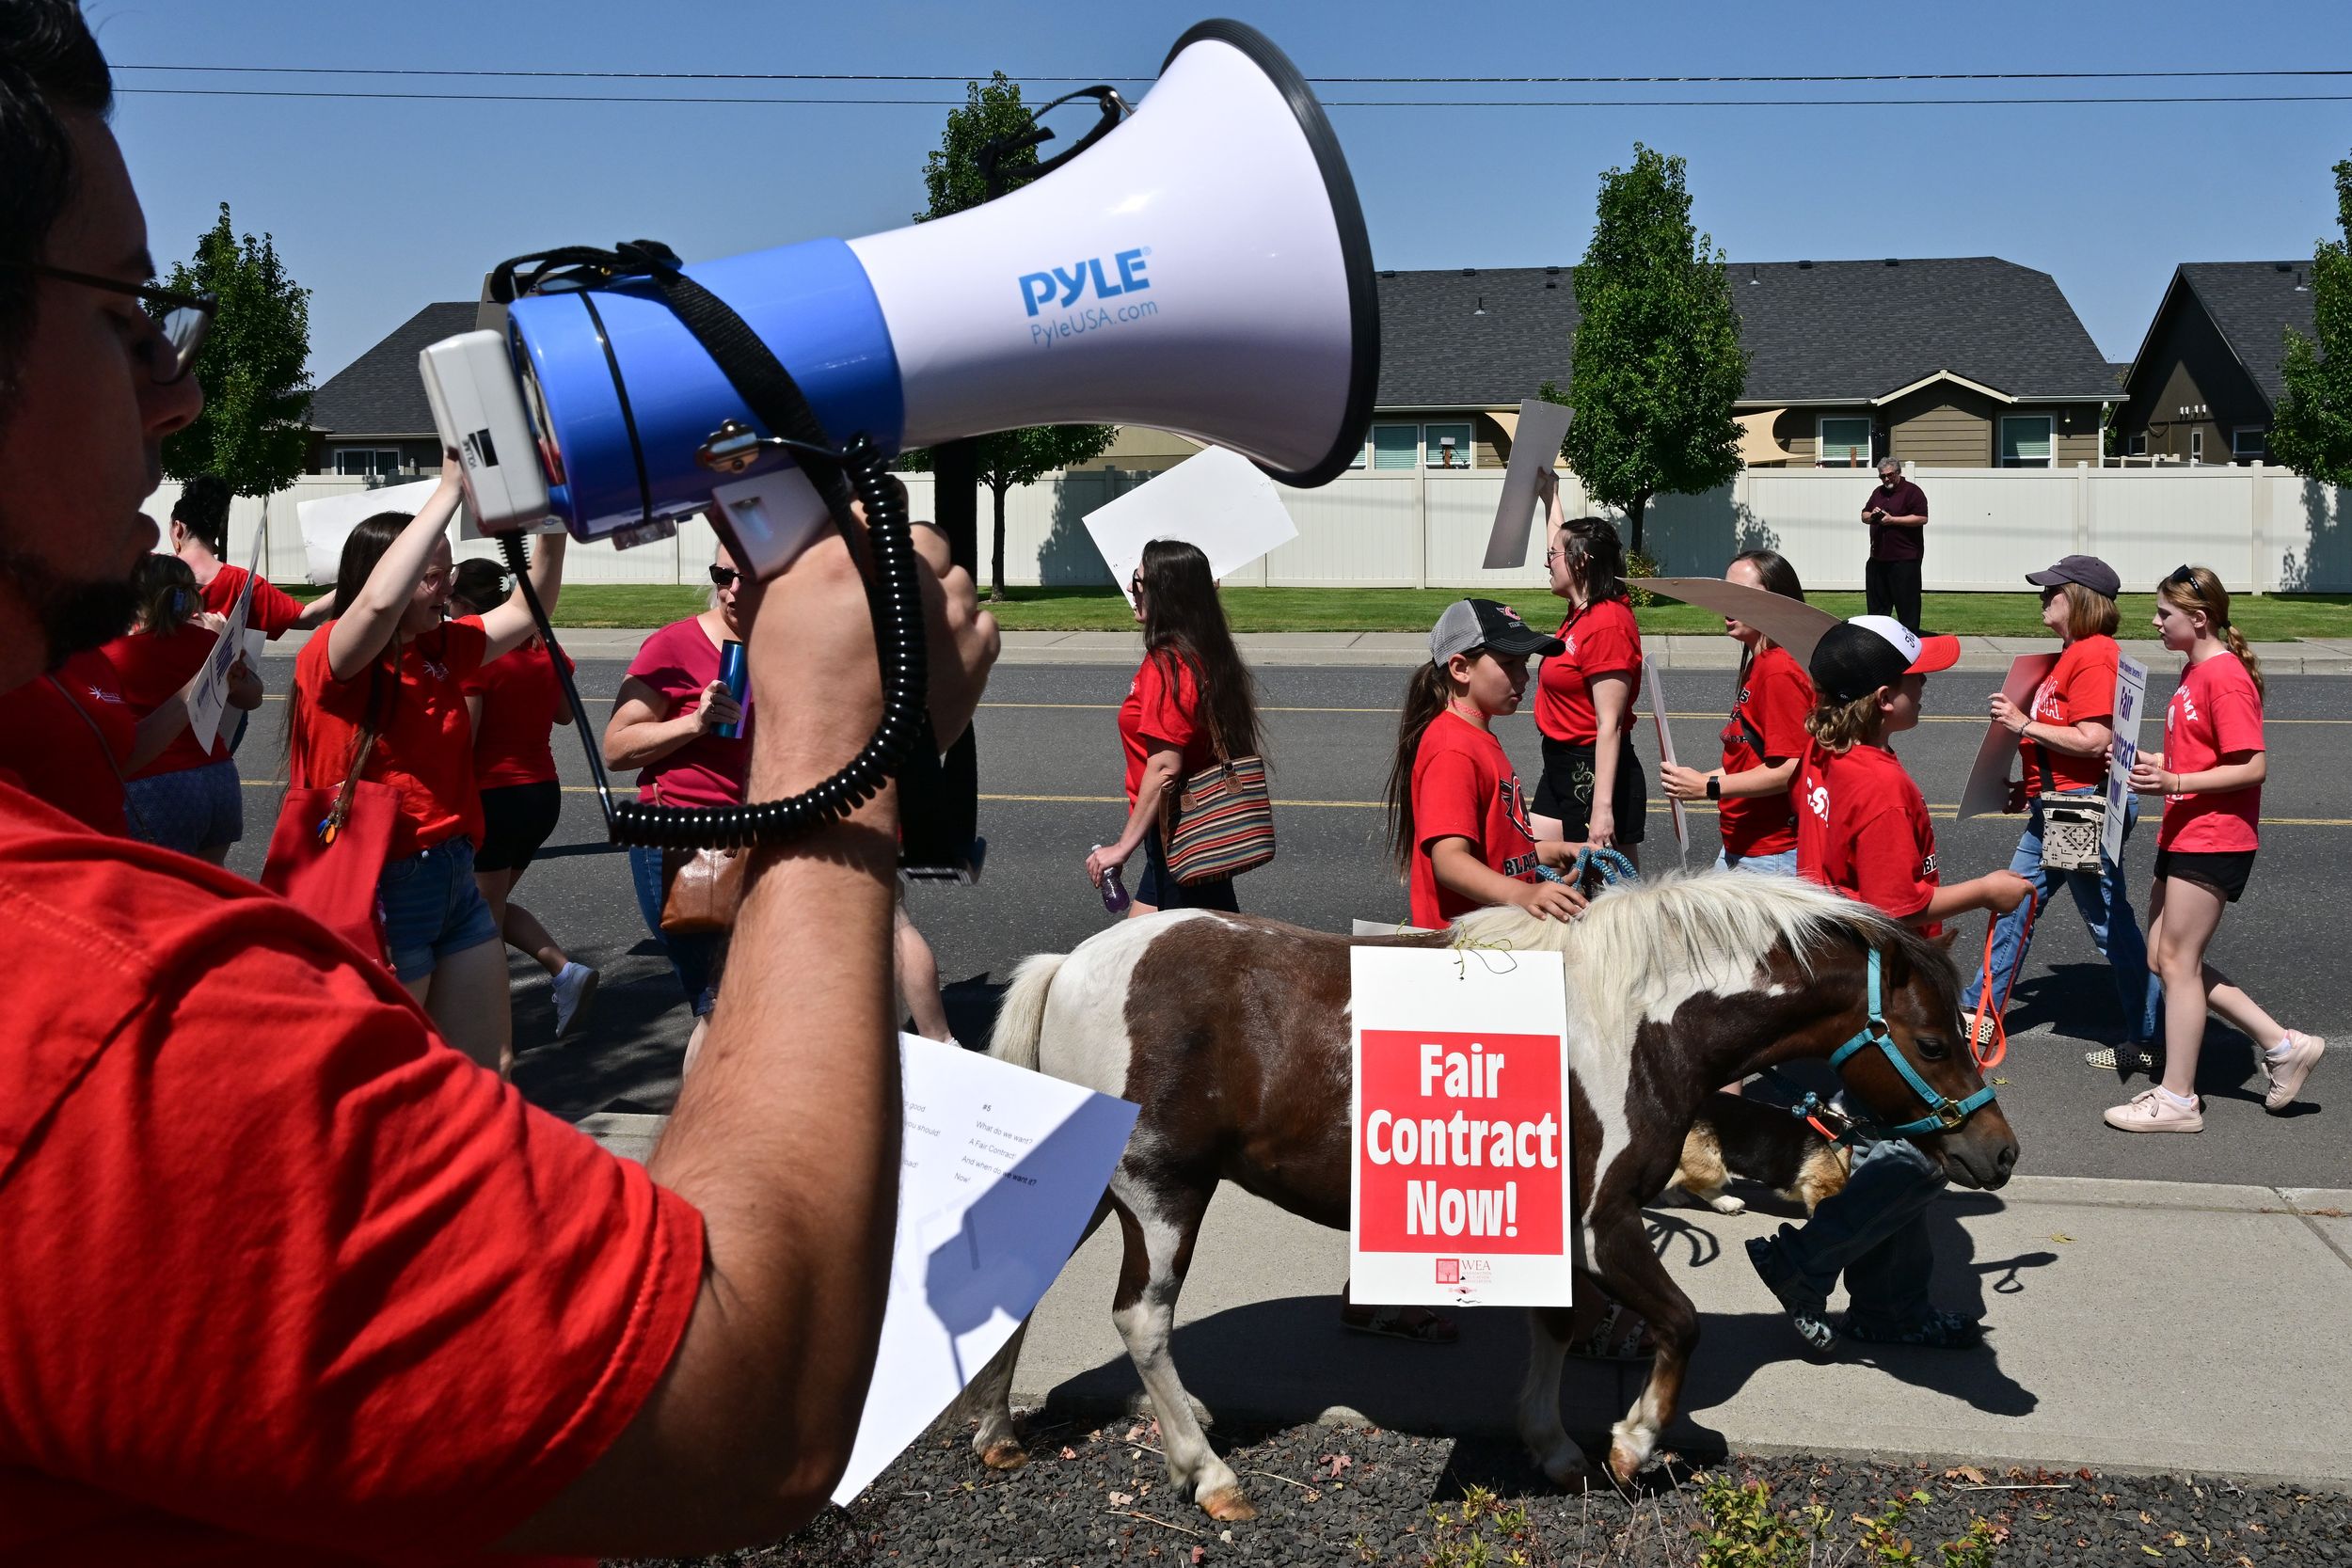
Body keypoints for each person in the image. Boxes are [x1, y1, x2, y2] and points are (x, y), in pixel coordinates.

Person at [0, 8, 999, 1554]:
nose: (177, 392)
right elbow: (749, 1397)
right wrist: (830, 742)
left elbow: (510, 608)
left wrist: (516, 518)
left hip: (446, 877)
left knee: (480, 1087)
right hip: (385, 880)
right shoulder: (92, 1022)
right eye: (127, 316)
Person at [1745, 615, 2033, 1356]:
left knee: (1891, 1153)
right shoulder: (1879, 783)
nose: (1925, 687)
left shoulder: (1824, 748)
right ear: (1882, 697)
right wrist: (1988, 889)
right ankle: (1803, 1262)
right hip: (1872, 986)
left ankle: (1891, 1309)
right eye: (1915, 680)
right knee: (1918, 1151)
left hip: (1835, 974)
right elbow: (1894, 909)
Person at [288, 464, 569, 1076]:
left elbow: (531, 607)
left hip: (452, 876)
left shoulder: (441, 646)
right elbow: (381, 601)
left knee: (485, 1069)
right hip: (381, 885)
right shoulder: (335, 655)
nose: (446, 590)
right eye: (432, 577)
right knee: (385, 1073)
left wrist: (552, 516)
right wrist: (447, 488)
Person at [1361, 596, 1582, 1345]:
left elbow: (1489, 839)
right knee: (1452, 1145)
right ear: (1459, 668)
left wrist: (1540, 855)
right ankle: (1400, 1292)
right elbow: (1448, 858)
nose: (1524, 674)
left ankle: (1383, 1287)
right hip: (1459, 961)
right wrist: (1524, 891)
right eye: (1509, 661)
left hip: (1484, 955)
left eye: (1525, 660)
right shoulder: (1453, 746)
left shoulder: (1478, 738)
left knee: (1450, 1147)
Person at [2104, 565, 2322, 1132]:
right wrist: (2154, 765)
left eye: (2164, 614)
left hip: (2215, 834)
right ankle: (2283, 1045)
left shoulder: (2224, 677)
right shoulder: (2192, 670)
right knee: (2164, 956)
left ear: (2198, 619)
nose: (2154, 622)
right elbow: (2203, 758)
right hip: (2185, 830)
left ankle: (2178, 1099)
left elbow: (2253, 766)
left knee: (2176, 961)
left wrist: (2173, 784)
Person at [1969, 555, 2160, 1069]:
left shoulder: (2094, 655)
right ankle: (1976, 1010)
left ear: (2078, 599)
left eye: (2052, 591)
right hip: (2058, 805)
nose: (2042, 598)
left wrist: (2021, 723)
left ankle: (2152, 1035)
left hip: (2078, 810)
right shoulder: (2072, 652)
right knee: (2014, 902)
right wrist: (2026, 787)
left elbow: (2093, 739)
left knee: (2105, 924)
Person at [605, 538, 757, 1067]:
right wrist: (695, 722)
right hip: (684, 843)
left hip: (763, 839)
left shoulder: (793, 646)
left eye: (749, 575)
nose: (732, 590)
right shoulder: (672, 645)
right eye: (722, 573)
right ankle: (704, 1140)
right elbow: (617, 747)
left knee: (756, 1004)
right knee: (722, 1006)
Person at [448, 557, 599, 1041]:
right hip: (540, 792)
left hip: (493, 795)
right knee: (479, 902)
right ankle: (563, 971)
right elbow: (563, 714)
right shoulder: (541, 644)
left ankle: (492, 1028)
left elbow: (462, 742)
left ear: (465, 603)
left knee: (479, 915)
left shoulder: (477, 653)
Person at [1085, 538, 1263, 916]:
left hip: (1180, 829)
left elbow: (1166, 766)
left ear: (1165, 594)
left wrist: (1121, 848)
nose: (1132, 590)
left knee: (1148, 960)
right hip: (1188, 825)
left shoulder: (1169, 665)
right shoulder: (1203, 651)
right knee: (1194, 946)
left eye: (1137, 581)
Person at [1658, 548, 1815, 876]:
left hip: (1771, 855)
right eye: (1725, 593)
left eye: (1741, 594)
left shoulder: (1778, 670)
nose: (1727, 606)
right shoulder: (1760, 662)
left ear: (1776, 601)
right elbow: (1751, 759)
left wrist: (1709, 787)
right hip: (1745, 846)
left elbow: (1793, 768)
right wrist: (1699, 780)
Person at [103, 549, 262, 861]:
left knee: (159, 896)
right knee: (208, 892)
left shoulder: (113, 655)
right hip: (218, 778)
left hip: (155, 786)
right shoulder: (208, 643)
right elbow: (252, 697)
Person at [1529, 467, 1646, 862]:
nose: (1548, 564)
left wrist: (1602, 810)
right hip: (1560, 760)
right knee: (1536, 857)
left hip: (1592, 769)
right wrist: (1551, 497)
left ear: (1579, 563)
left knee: (1606, 889)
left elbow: (1609, 724)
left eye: (1554, 558)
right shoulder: (1581, 609)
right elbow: (1560, 540)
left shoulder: (1607, 623)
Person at [168, 470, 330, 633]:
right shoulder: (240, 582)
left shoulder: (150, 572)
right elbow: (306, 618)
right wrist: (352, 582)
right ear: (218, 531)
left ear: (178, 528)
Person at [1859, 457, 1929, 632]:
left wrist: (1893, 520)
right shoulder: (1878, 493)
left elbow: (1922, 518)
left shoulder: (1912, 492)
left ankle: (1911, 644)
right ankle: (1879, 643)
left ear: (1898, 472)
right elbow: (1864, 515)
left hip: (1904, 561)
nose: (1886, 479)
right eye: (1883, 476)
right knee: (1877, 612)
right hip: (1877, 559)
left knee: (1907, 609)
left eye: (1890, 475)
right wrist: (1872, 515)